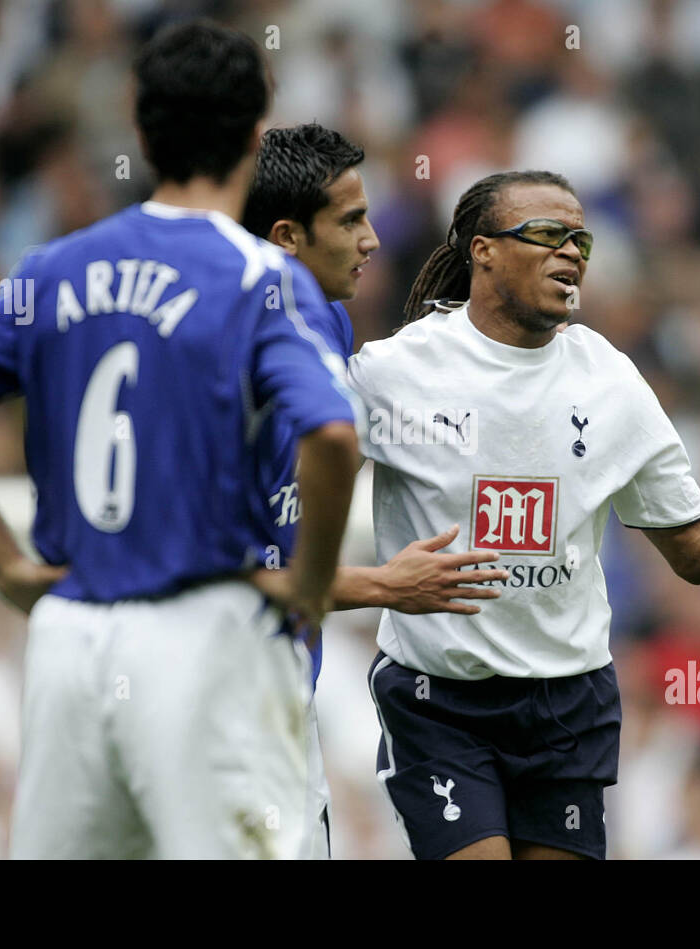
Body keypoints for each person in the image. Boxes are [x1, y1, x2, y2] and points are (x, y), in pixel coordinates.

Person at [0, 20, 361, 859]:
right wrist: (310, 584)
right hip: (203, 637)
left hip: (70, 644)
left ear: (140, 131)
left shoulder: (55, 268)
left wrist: (3, 561)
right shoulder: (260, 279)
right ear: (256, 136)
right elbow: (330, 433)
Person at [348, 169, 700, 860]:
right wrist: (370, 585)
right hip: (439, 700)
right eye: (546, 235)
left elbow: (698, 547)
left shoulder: (609, 379)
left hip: (567, 703)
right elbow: (295, 487)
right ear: (483, 251)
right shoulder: (392, 372)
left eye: (580, 239)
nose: (571, 253)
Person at [241, 123, 508, 857]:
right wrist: (387, 584)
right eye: (352, 221)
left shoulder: (323, 320)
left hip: (280, 701)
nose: (372, 241)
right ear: (288, 236)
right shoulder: (223, 363)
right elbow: (220, 579)